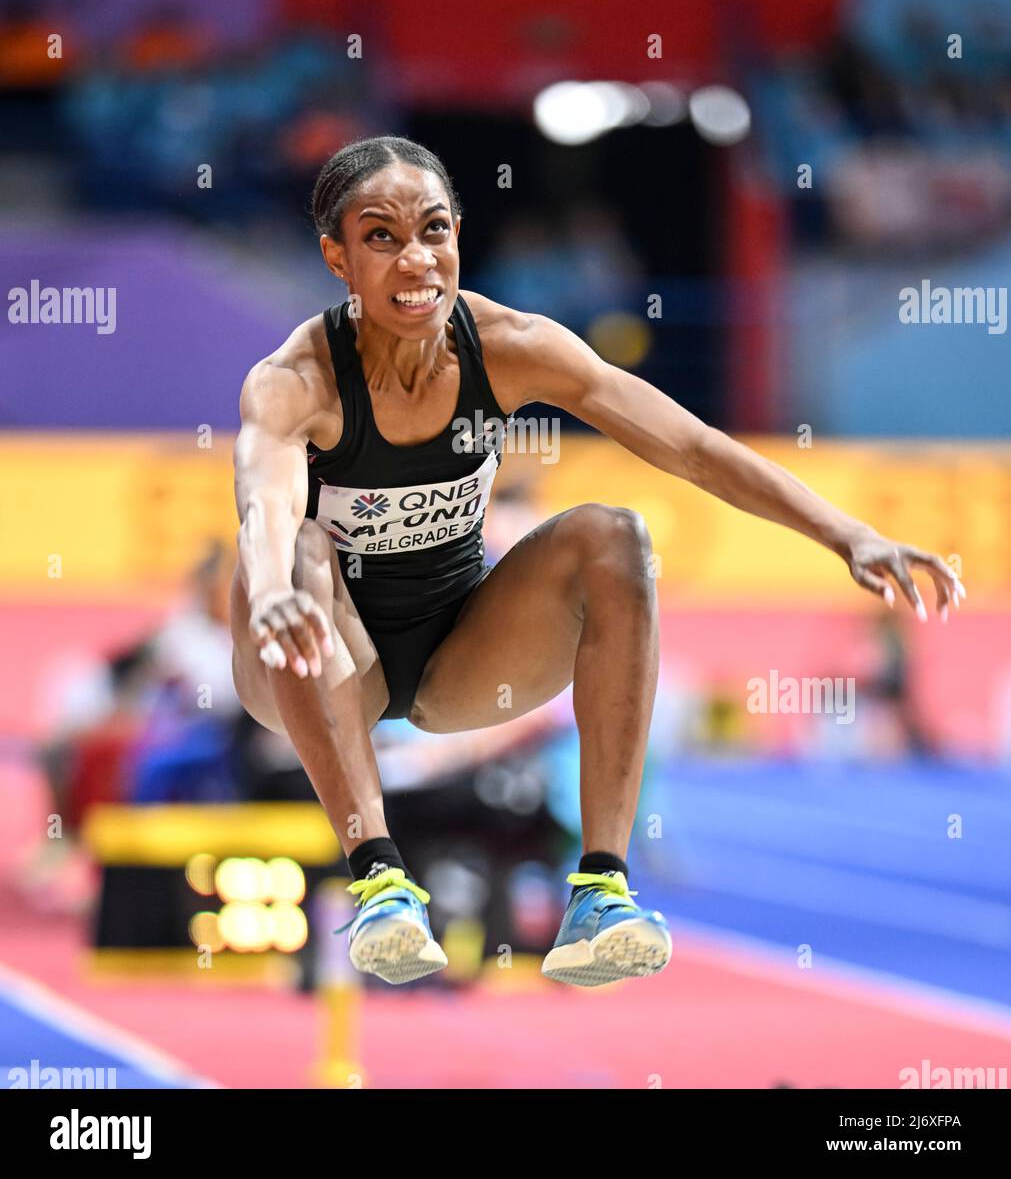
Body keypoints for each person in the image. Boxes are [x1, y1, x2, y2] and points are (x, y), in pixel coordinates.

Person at [229, 135, 964, 989]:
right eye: (381, 237)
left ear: (459, 235)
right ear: (337, 258)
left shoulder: (511, 345)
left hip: (455, 663)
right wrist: (276, 583)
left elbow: (691, 445)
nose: (416, 258)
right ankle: (381, 883)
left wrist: (848, 533)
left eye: (434, 229)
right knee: (305, 548)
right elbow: (265, 500)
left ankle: (601, 889)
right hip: (310, 656)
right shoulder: (294, 379)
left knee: (614, 533)